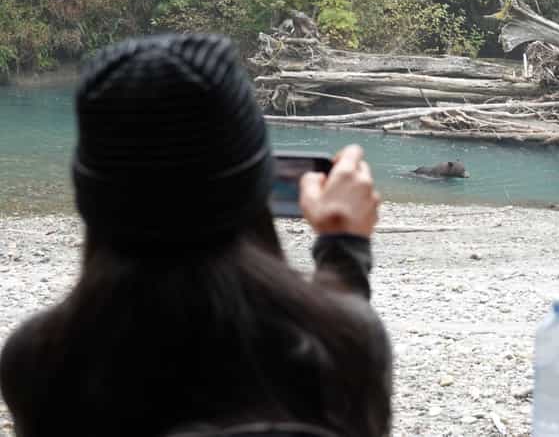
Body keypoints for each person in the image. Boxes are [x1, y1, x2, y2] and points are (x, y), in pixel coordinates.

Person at [0, 34, 392, 437]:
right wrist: (344, 247)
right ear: (260, 185)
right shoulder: (343, 343)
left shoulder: (38, 361)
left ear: (92, 199)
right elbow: (344, 345)